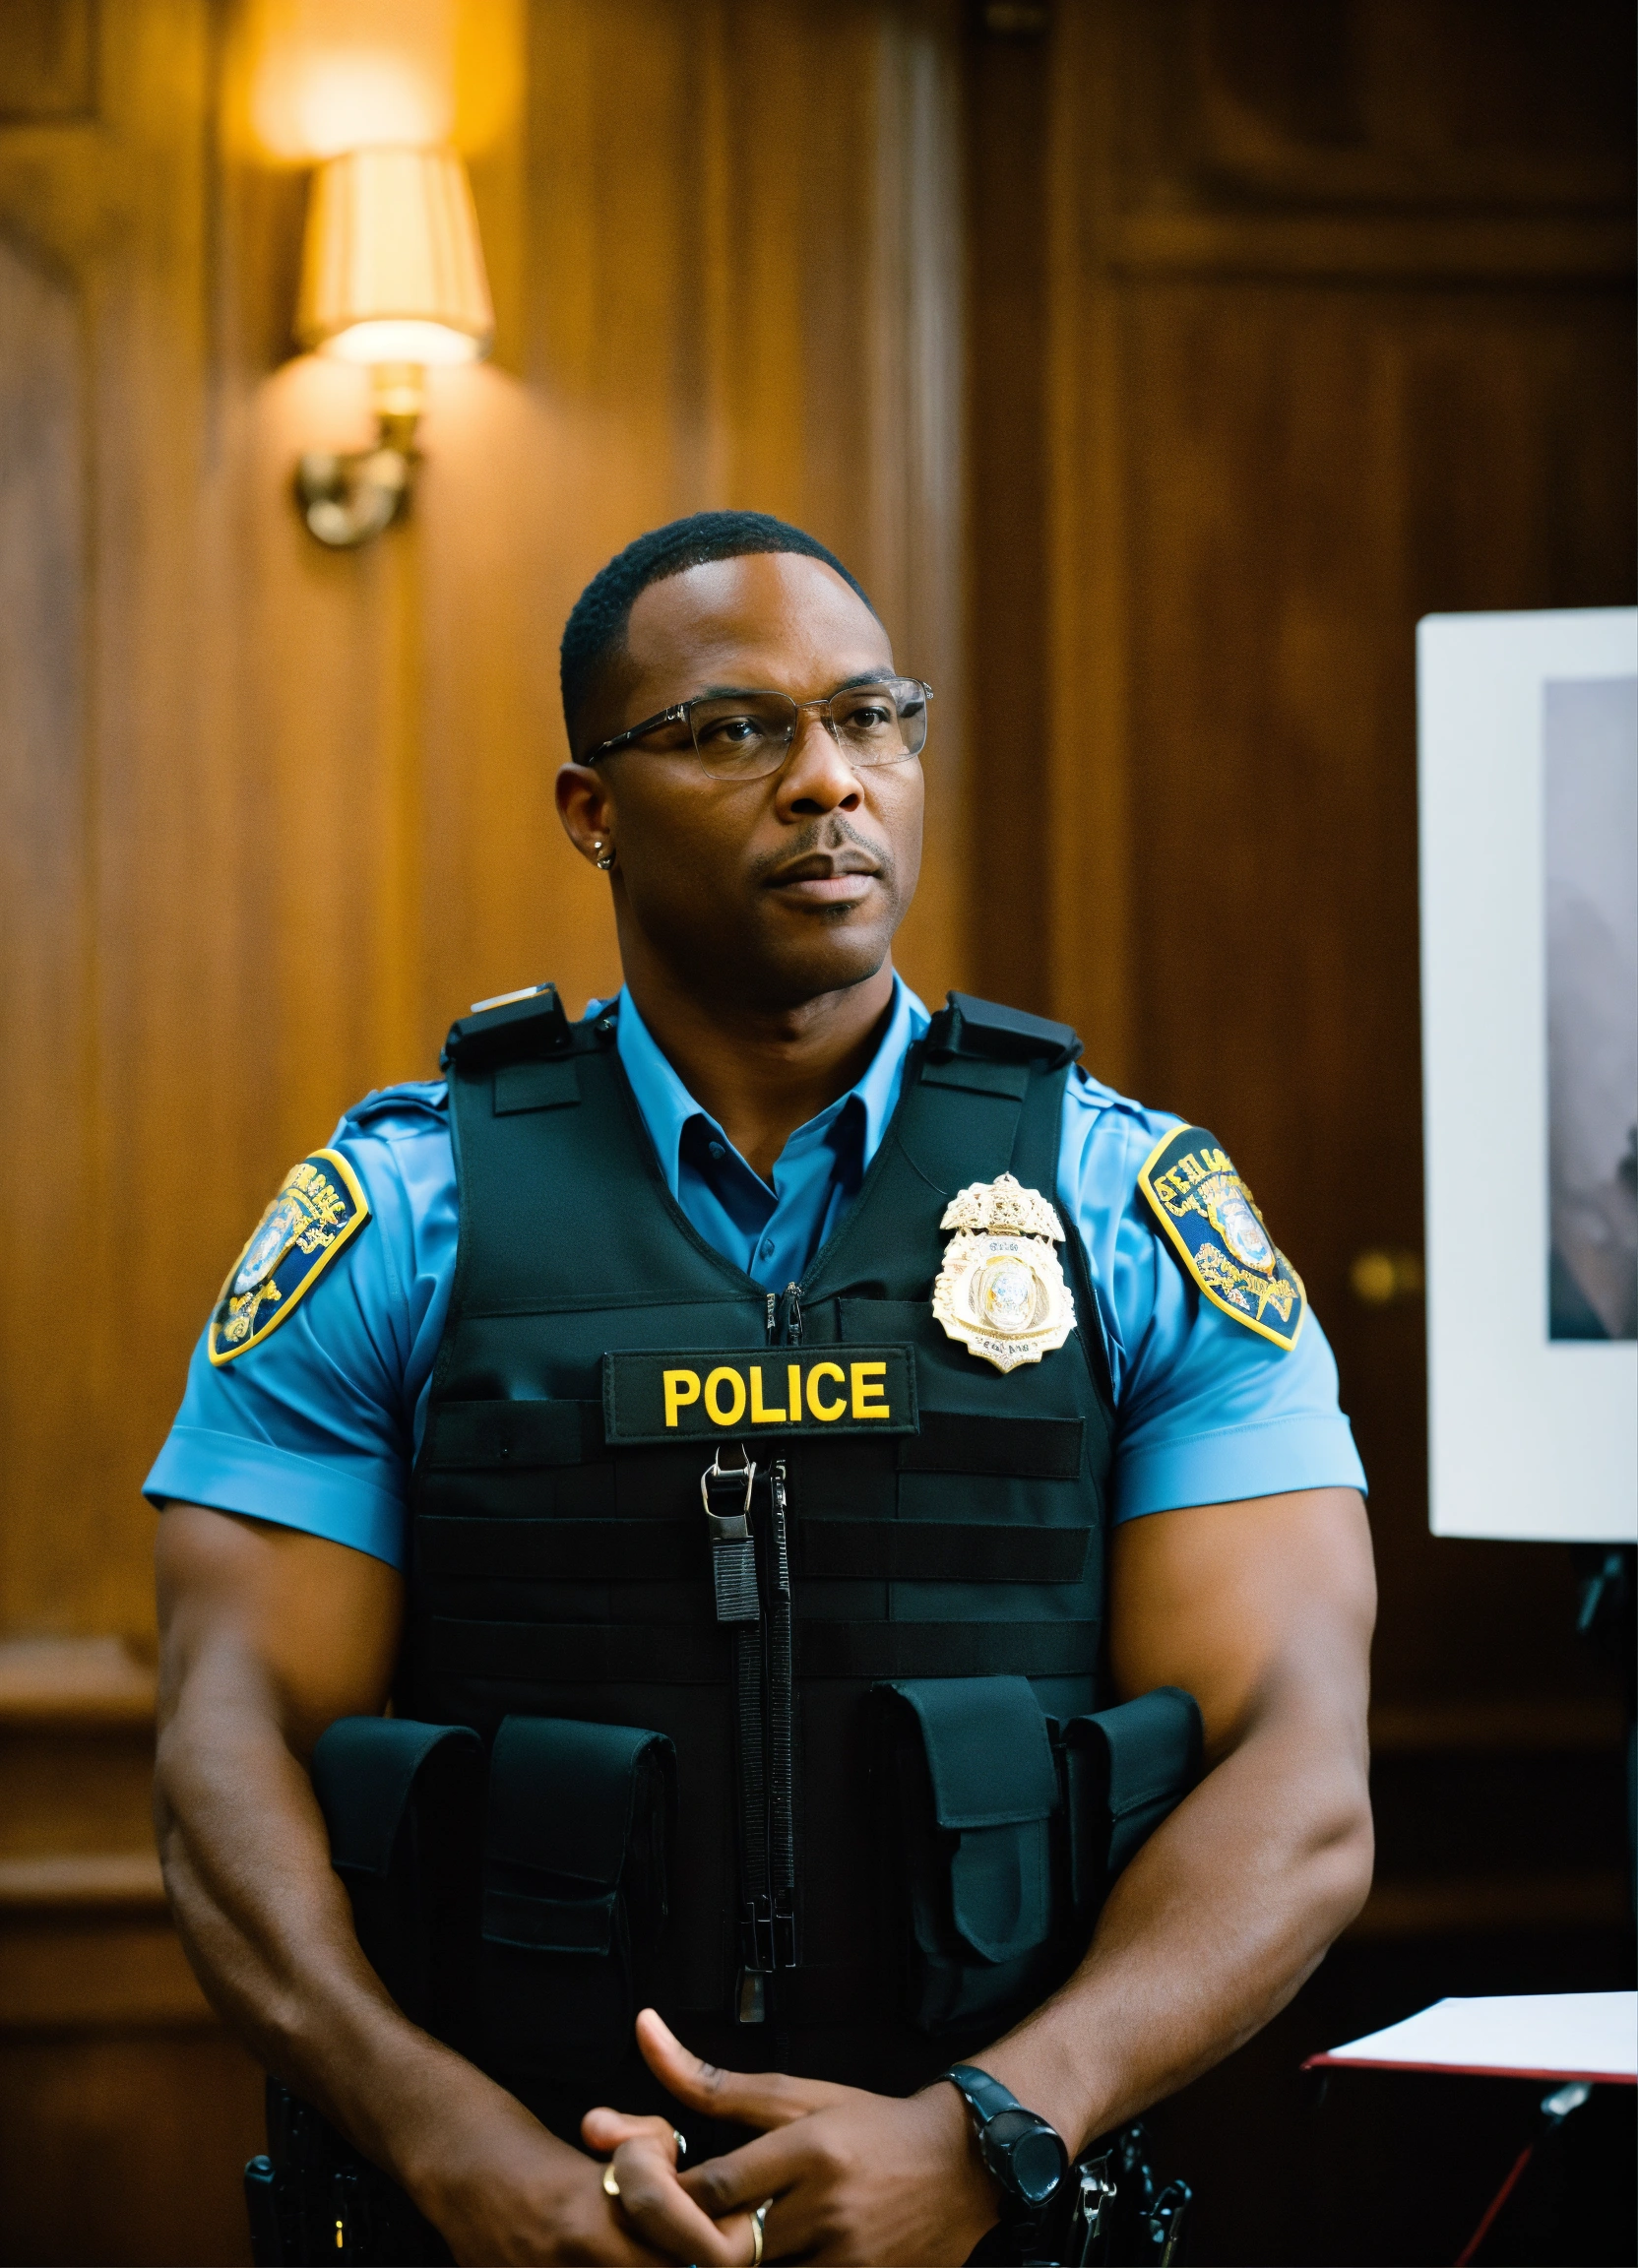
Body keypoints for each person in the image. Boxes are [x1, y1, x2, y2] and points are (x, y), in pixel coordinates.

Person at [148, 510, 1376, 2267]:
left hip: (1000, 2222)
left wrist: (994, 2129)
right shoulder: (402, 1219)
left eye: (872, 718)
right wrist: (453, 2151)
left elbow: (1300, 1763)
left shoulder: (1125, 1211)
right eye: (736, 731)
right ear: (593, 811)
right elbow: (224, 1745)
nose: (830, 782)